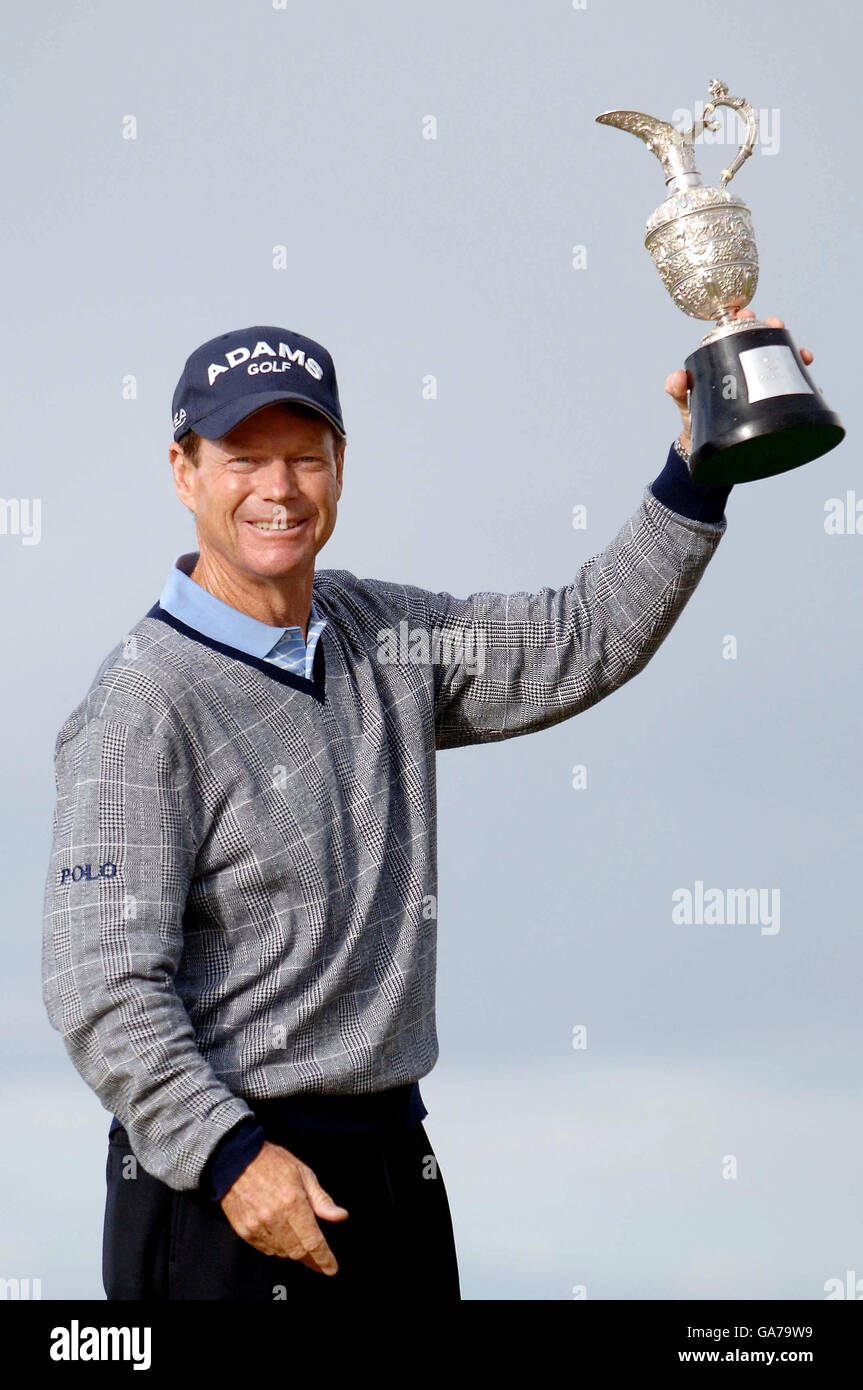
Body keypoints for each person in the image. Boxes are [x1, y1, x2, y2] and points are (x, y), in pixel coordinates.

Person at [42, 315, 813, 1301]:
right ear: (184, 471)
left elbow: (576, 638)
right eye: (242, 458)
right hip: (224, 1188)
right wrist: (231, 1158)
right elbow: (98, 986)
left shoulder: (379, 634)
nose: (277, 490)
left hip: (389, 1160)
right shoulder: (139, 707)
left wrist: (696, 464)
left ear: (340, 466)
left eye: (303, 458)